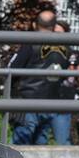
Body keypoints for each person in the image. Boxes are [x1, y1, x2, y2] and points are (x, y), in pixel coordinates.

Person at [8, 8, 69, 145]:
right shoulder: (65, 47)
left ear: (35, 25)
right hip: (51, 102)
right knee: (40, 146)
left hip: (29, 101)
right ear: (54, 27)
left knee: (20, 145)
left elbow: (11, 69)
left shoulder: (30, 43)